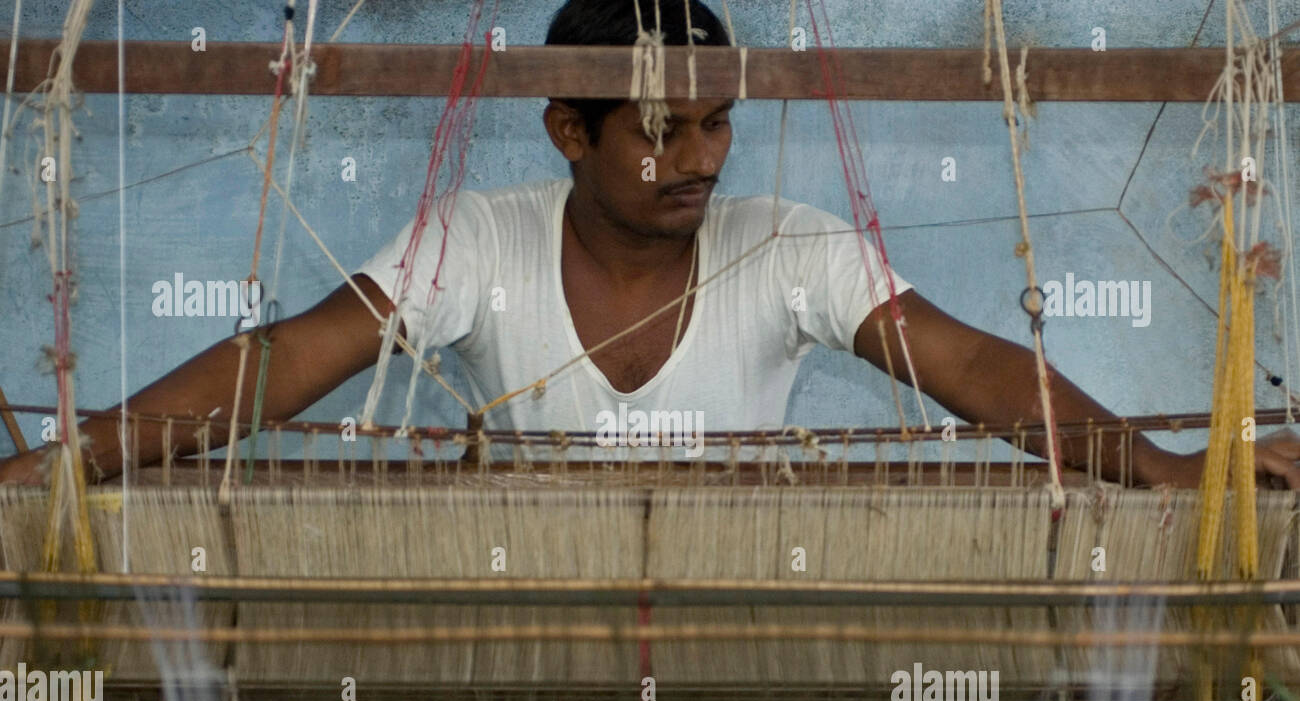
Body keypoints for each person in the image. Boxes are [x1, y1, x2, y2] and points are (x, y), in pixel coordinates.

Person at [2, 0, 1298, 487]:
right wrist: (70, 463)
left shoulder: (790, 248)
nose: (699, 160)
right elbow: (281, 362)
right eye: (664, 131)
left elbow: (975, 373)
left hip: (748, 651)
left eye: (719, 128)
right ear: (568, 125)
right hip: (521, 646)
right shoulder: (477, 240)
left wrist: (1170, 471)